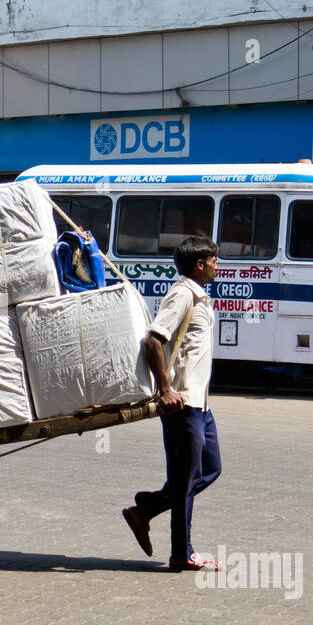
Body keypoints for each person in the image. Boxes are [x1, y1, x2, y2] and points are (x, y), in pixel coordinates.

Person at [121, 235, 223, 571]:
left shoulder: (199, 296)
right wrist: (165, 390)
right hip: (181, 405)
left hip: (199, 404)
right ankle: (182, 552)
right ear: (199, 264)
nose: (216, 266)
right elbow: (153, 340)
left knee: (209, 469)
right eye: (213, 261)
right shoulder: (182, 294)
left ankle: (146, 508)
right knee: (185, 479)